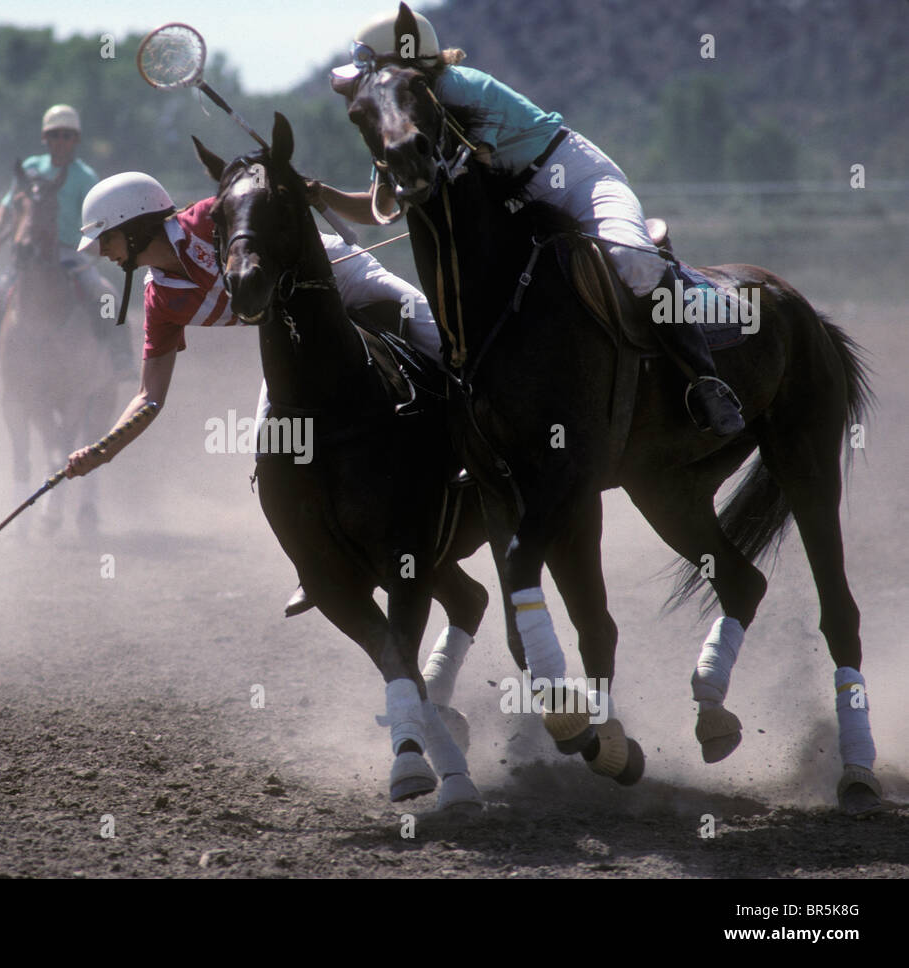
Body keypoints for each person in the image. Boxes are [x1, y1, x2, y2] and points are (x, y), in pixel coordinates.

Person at [318, 5, 745, 437]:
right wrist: (318, 192)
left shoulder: (462, 89)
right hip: (519, 204)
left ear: (403, 62)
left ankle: (706, 381)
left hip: (575, 178)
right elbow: (385, 208)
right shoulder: (402, 114)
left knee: (632, 259)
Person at [62, 171, 445, 614]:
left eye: (106, 239)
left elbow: (268, 193)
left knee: (441, 344)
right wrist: (104, 449)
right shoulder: (159, 301)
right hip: (294, 335)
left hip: (345, 277)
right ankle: (313, 565)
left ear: (134, 225)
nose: (103, 252)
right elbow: (150, 396)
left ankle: (482, 456)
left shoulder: (211, 217)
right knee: (273, 449)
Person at [0, 104, 113, 397]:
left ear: (75, 139)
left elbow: (98, 215)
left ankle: (117, 361)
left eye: (67, 136)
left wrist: (96, 241)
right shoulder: (30, 168)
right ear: (45, 137)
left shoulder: (84, 176)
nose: (61, 141)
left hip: (70, 250)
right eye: (55, 135)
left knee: (105, 294)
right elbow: (7, 204)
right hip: (28, 254)